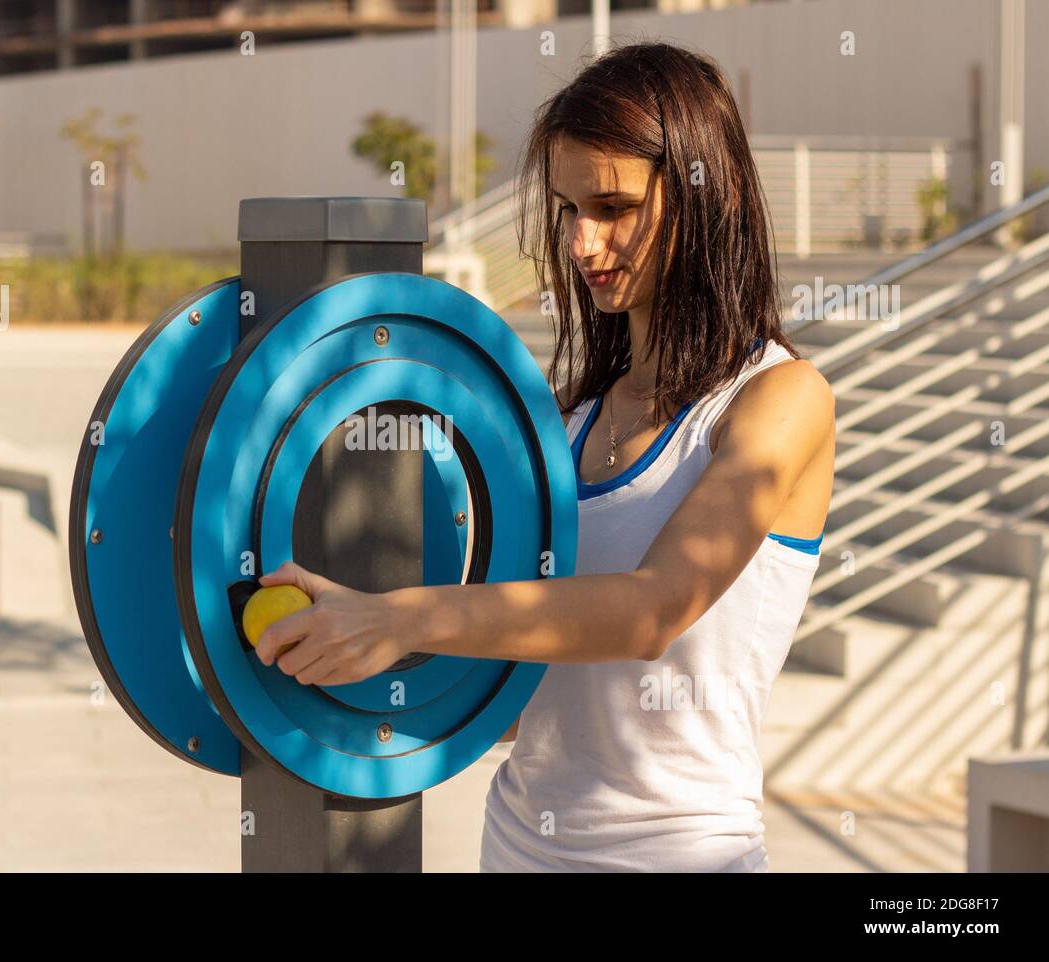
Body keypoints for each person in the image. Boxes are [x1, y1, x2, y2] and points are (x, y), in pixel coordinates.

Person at [253, 41, 835, 872]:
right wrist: (339, 638)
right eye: (566, 208)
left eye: (613, 205)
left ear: (709, 196)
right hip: (519, 847)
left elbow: (648, 613)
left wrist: (396, 620)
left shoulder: (781, 401)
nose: (583, 243)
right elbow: (530, 695)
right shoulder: (563, 425)